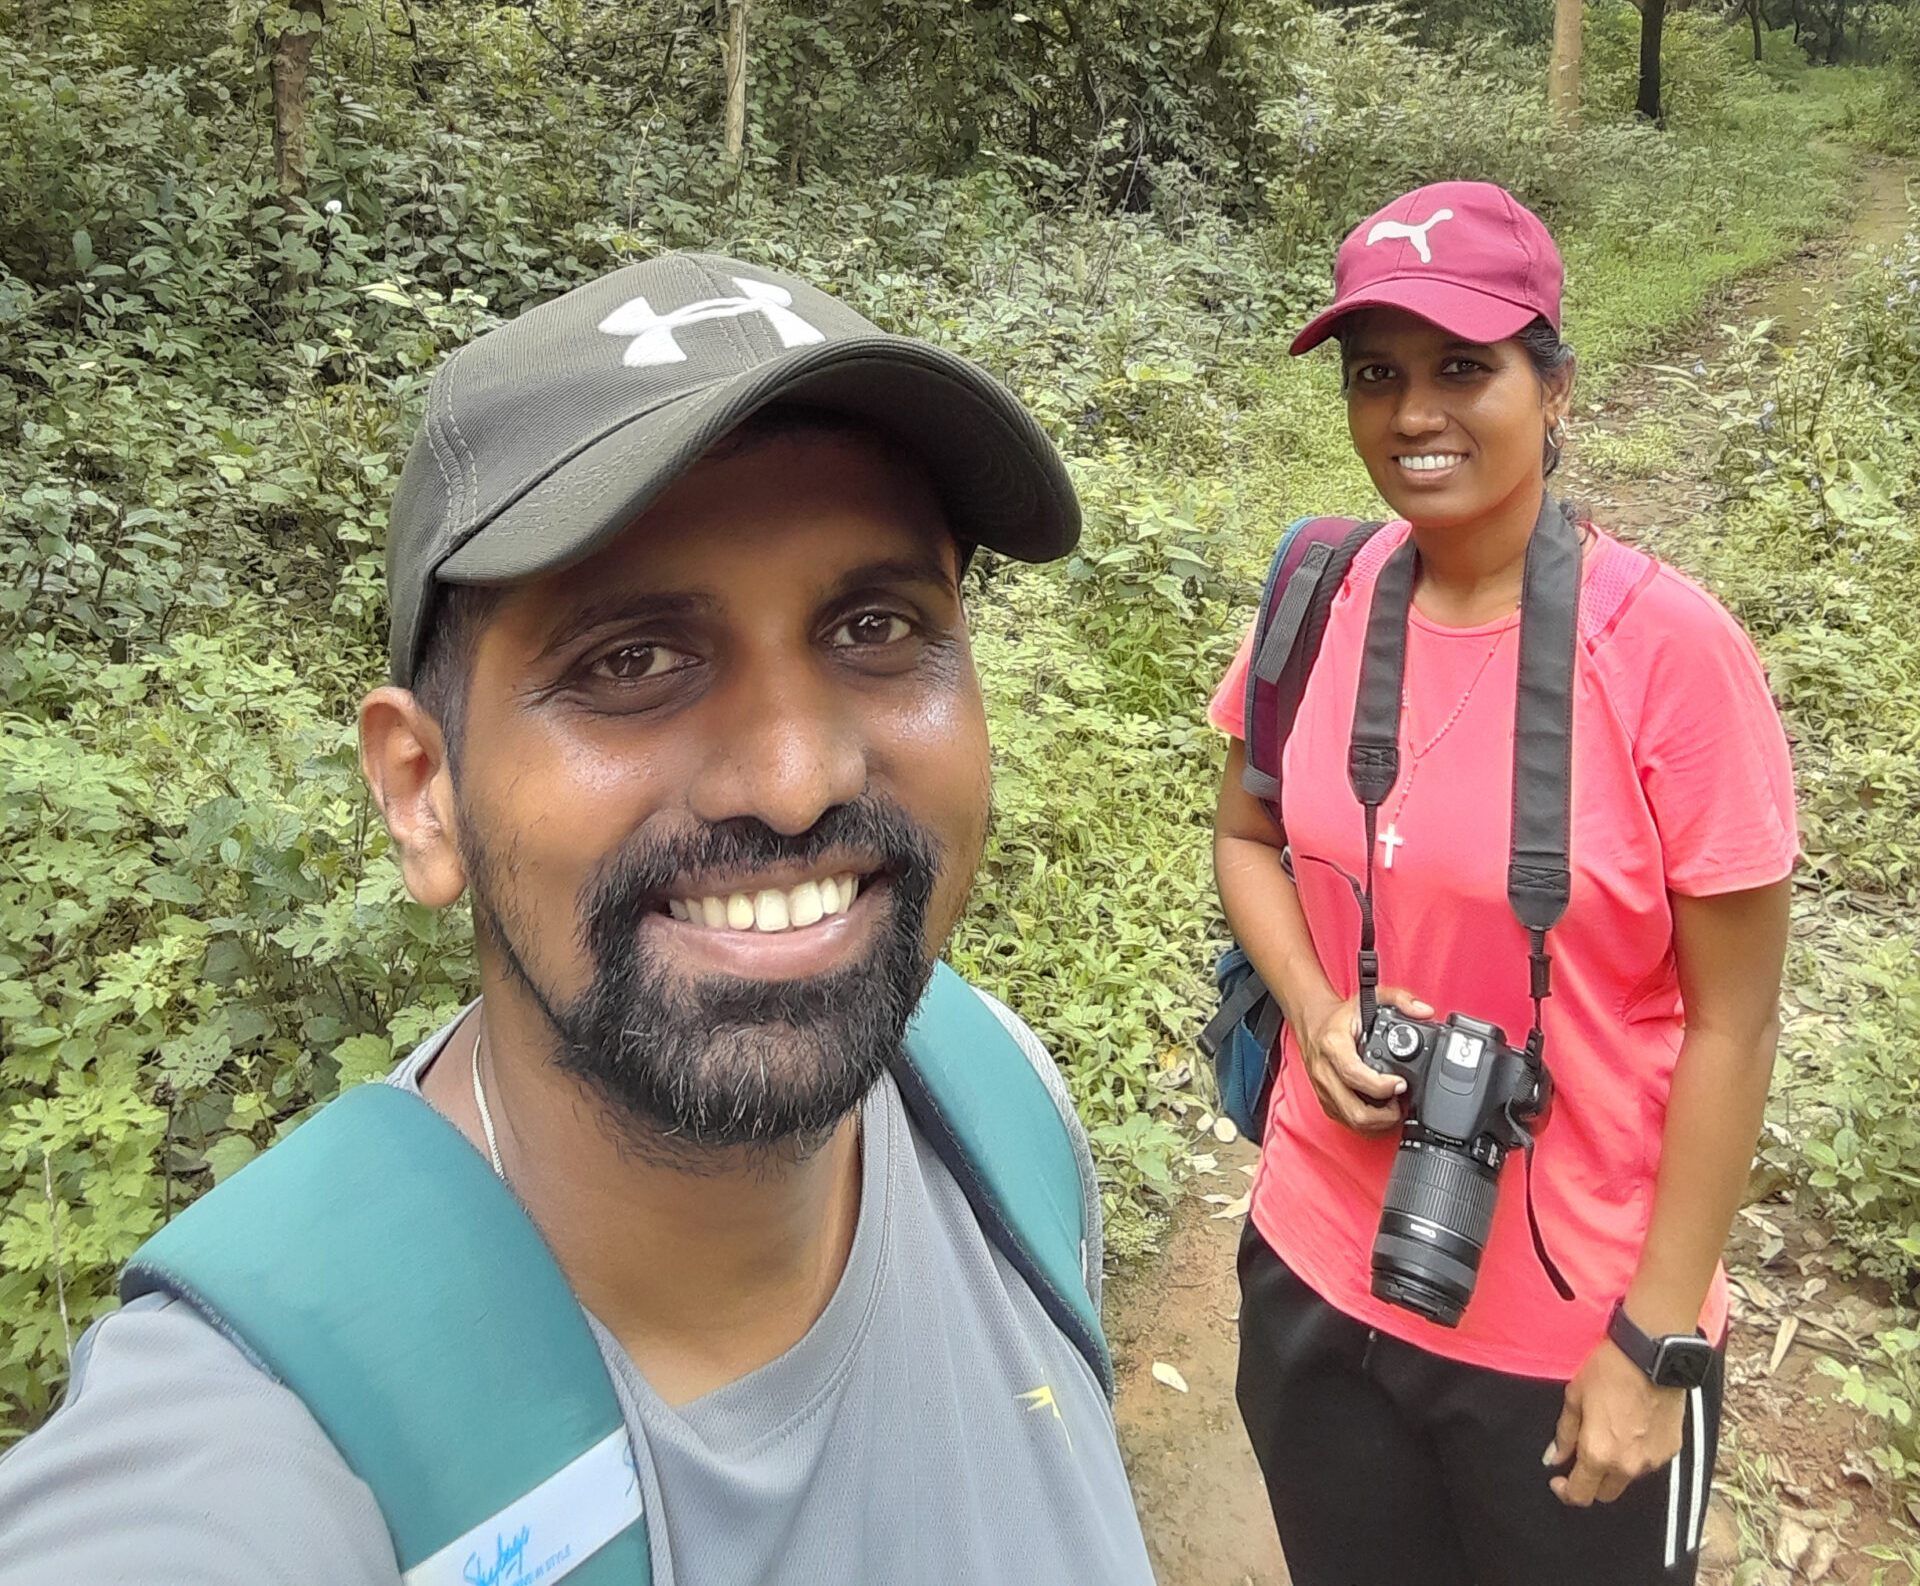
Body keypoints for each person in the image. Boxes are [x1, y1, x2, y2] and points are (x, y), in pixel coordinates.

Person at [0, 250, 1157, 1586]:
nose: (796, 780)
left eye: (876, 626)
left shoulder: (1000, 1107)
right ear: (422, 793)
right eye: (632, 661)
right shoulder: (261, 1451)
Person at [1213, 180, 1796, 1586]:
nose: (1414, 414)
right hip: (1318, 1272)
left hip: (1568, 1321)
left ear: (1555, 387)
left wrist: (1653, 1340)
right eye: (1377, 375)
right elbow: (1246, 837)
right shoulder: (1317, 595)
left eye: (1463, 368)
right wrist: (1312, 1004)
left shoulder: (1669, 656)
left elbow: (1737, 1023)